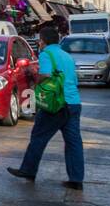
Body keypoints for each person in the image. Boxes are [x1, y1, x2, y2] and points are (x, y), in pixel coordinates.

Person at [7, 22, 84, 189]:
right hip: (74, 103)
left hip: (56, 104)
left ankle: (28, 169)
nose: (39, 44)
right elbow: (74, 80)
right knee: (73, 142)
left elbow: (46, 75)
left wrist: (35, 78)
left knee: (38, 137)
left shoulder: (46, 54)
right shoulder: (67, 56)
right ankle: (76, 179)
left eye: (40, 41)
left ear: (43, 41)